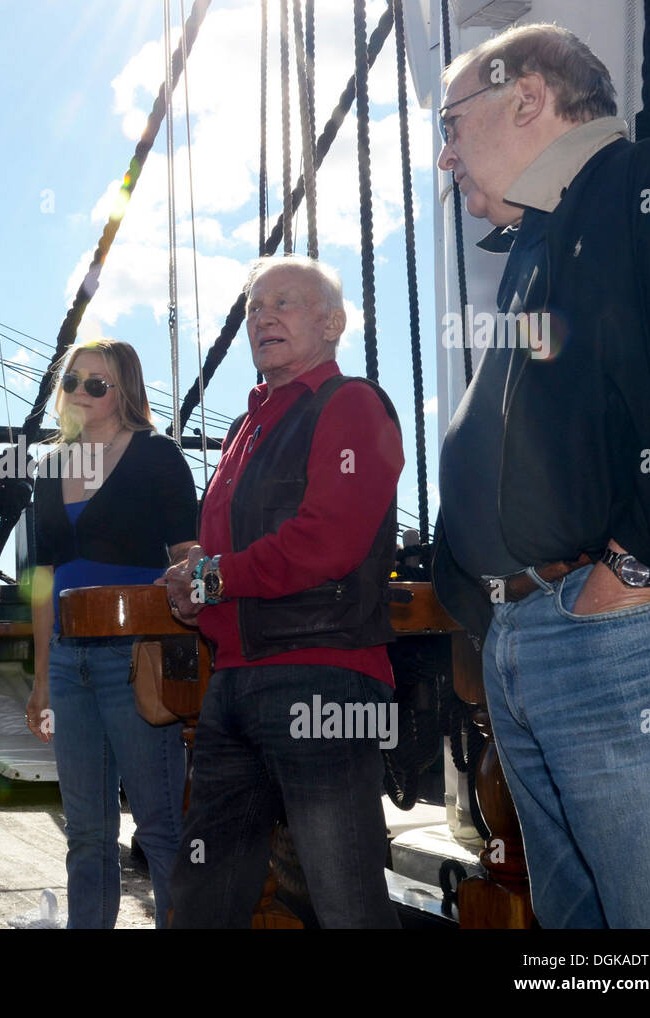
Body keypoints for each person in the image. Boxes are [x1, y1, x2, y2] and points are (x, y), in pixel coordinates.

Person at [432, 24, 650, 928]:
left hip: (621, 634)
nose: (444, 156)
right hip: (531, 639)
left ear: (527, 96)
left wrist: (633, 569)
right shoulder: (539, 248)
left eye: (451, 124)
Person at [163, 255, 404, 928]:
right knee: (203, 899)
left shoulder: (352, 404)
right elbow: (228, 558)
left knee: (346, 897)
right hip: (234, 684)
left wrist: (209, 578)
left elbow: (327, 540)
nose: (263, 317)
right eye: (253, 310)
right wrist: (193, 581)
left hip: (322, 680)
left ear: (332, 324)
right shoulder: (245, 430)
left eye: (285, 304)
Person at [26, 339, 197, 929]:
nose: (80, 393)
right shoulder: (50, 467)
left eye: (96, 384)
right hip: (68, 661)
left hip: (139, 654)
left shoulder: (157, 456)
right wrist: (40, 677)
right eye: (72, 382)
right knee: (87, 832)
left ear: (124, 390)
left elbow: (187, 551)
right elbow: (43, 580)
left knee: (160, 827)